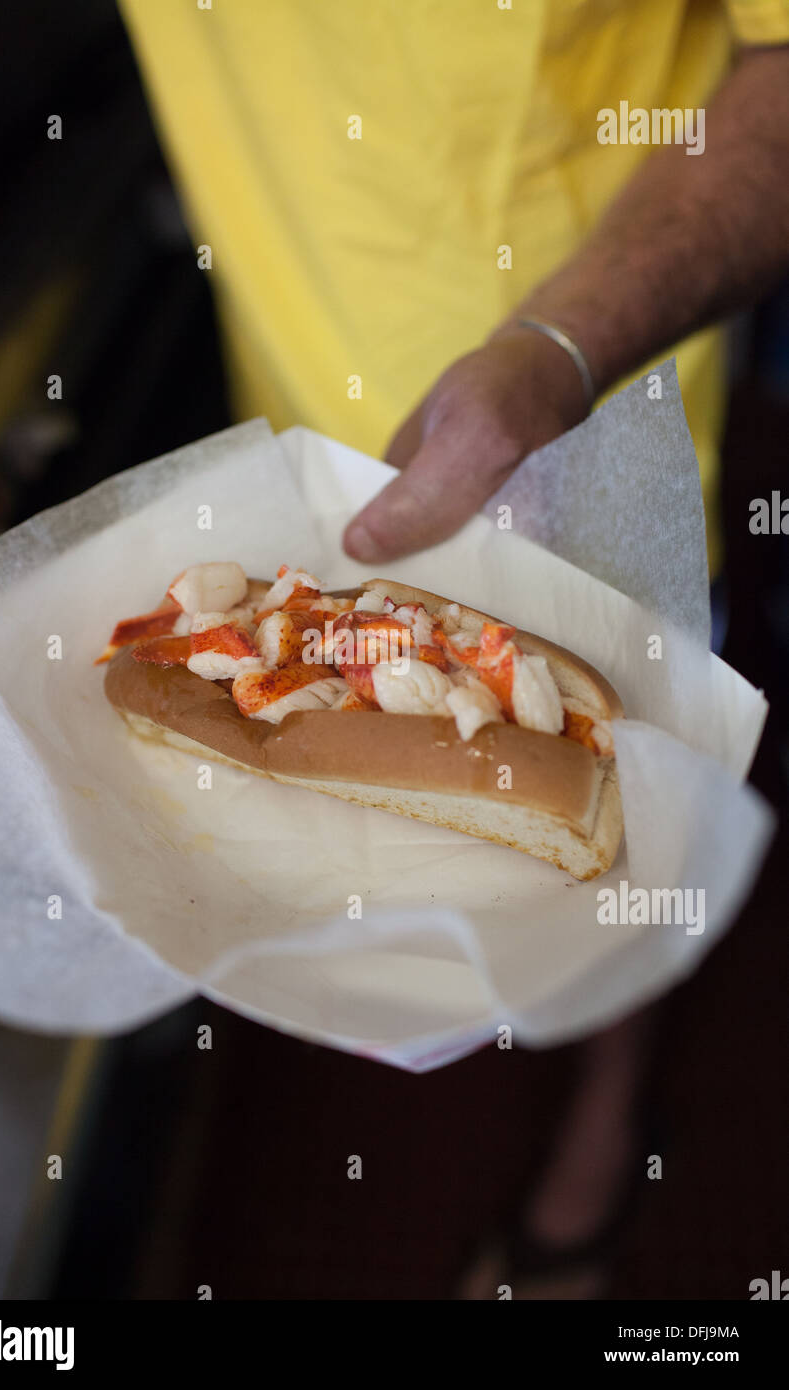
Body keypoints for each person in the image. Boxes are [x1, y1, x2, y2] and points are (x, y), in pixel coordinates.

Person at [117, 1, 789, 1296]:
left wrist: (557, 349)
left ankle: (607, 1108)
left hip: (586, 400)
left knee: (627, 813)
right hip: (297, 409)